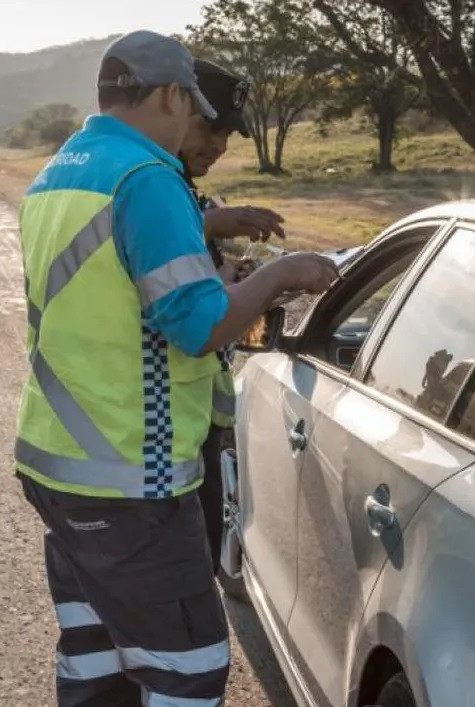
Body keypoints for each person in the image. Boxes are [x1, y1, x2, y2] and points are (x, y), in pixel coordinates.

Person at [13, 29, 338, 707]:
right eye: (192, 105)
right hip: (133, 475)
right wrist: (286, 276)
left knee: (94, 651)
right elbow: (199, 328)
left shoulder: (63, 171)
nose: (194, 122)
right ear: (168, 98)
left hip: (58, 462)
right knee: (188, 670)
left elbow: (119, 301)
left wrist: (214, 267)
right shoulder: (147, 179)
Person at [177, 59, 288, 584]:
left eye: (227, 134)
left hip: (197, 424)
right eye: (210, 128)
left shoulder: (186, 194)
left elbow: (197, 278)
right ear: (174, 110)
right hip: (159, 440)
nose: (219, 145)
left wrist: (231, 274)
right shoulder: (150, 190)